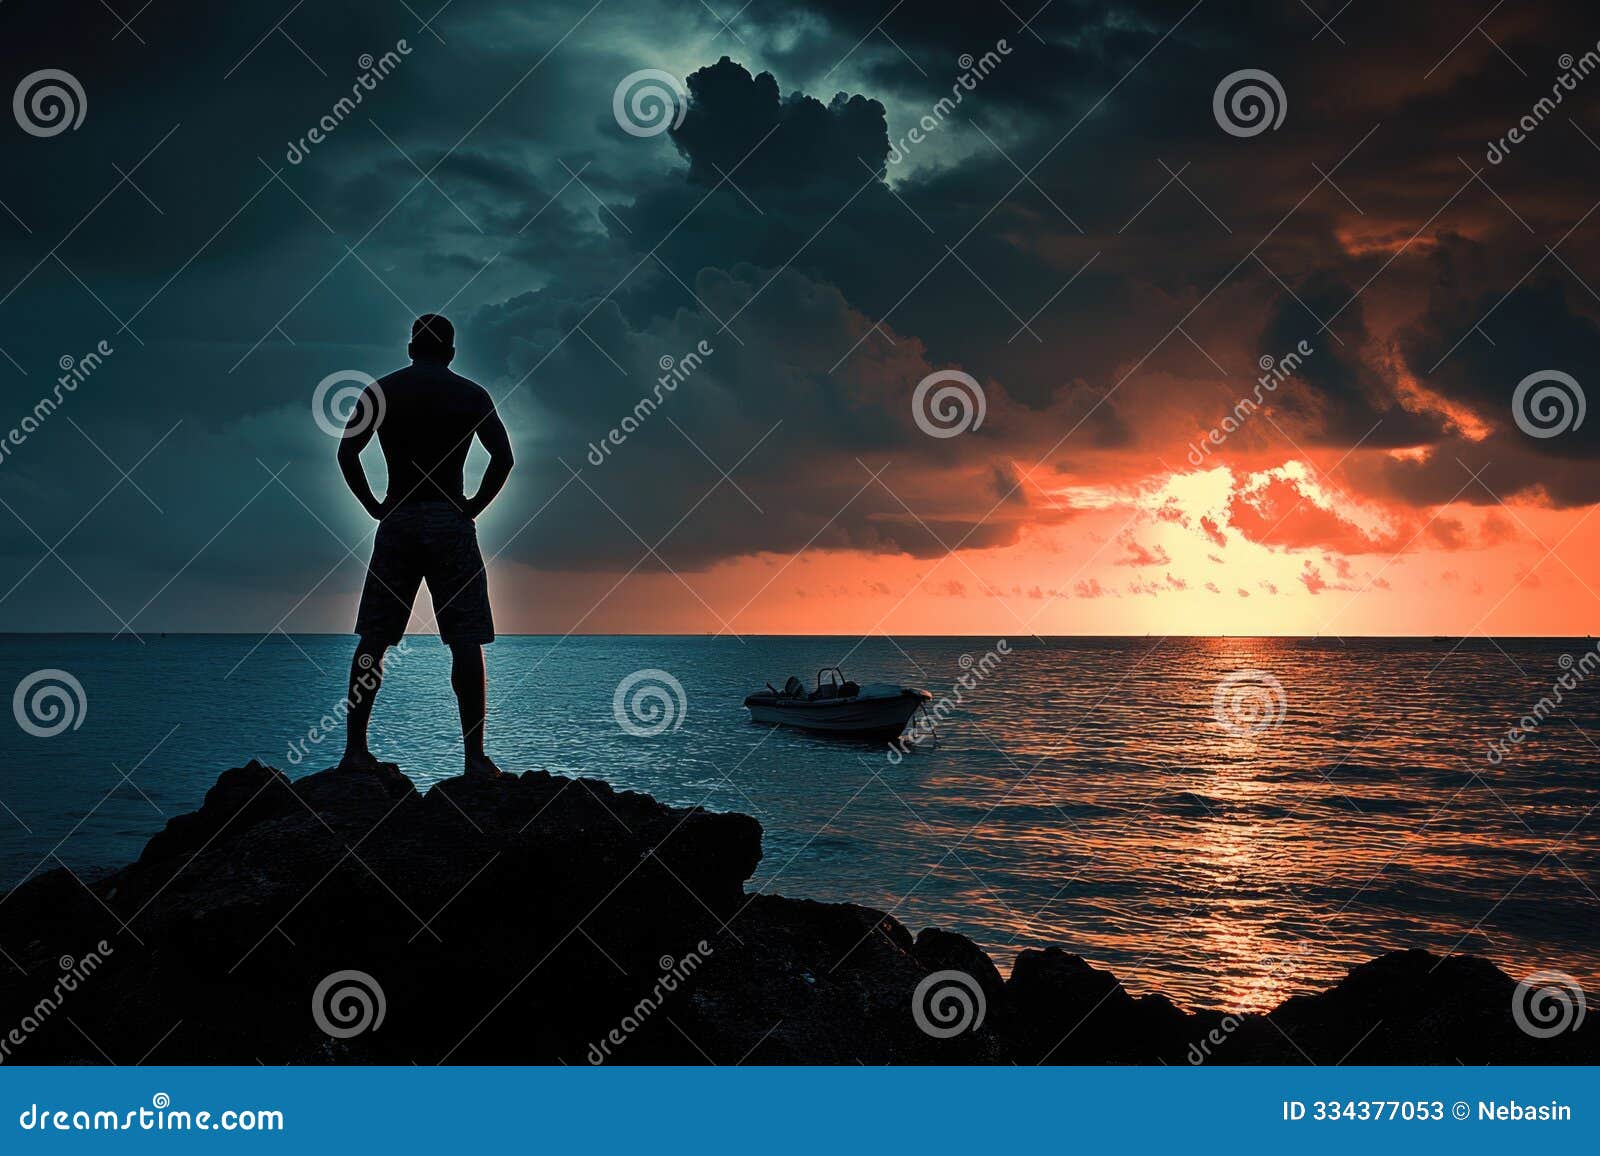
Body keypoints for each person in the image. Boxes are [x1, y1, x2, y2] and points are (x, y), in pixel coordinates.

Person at [335, 314, 515, 777]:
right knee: (465, 641)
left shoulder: (383, 391)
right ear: (451, 353)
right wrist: (472, 506)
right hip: (450, 518)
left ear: (411, 349)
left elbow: (346, 452)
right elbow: (504, 458)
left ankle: (355, 750)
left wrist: (375, 505)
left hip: (398, 517)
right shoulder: (470, 395)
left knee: (375, 636)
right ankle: (473, 757)